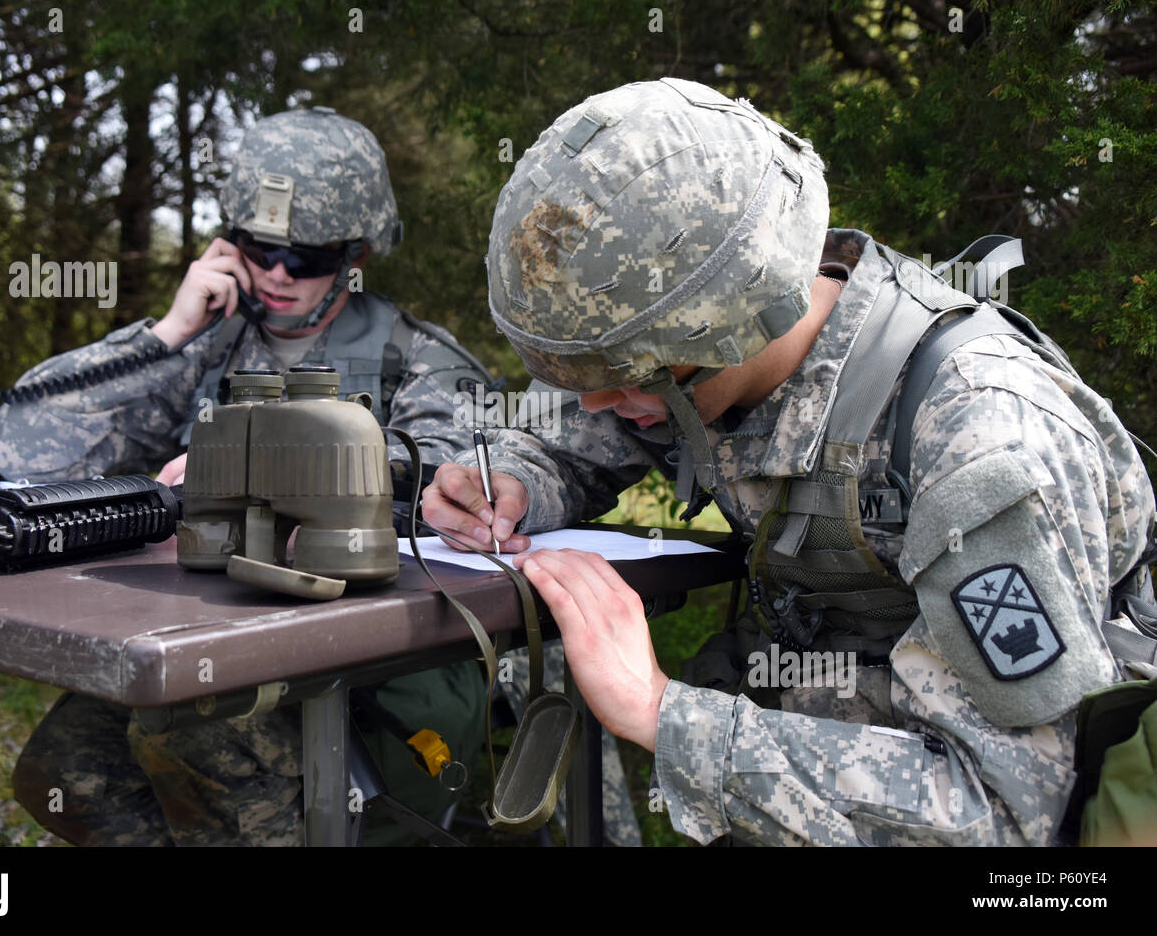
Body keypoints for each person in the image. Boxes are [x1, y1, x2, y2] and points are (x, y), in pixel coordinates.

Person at [423, 77, 1157, 845]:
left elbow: (1006, 815)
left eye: (621, 380)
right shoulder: (706, 348)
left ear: (725, 335)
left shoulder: (978, 440)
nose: (597, 404)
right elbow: (573, 435)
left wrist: (660, 710)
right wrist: (509, 483)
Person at [0, 108, 497, 846]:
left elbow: (452, 483)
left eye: (311, 255)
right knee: (65, 770)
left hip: (373, 660)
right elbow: (21, 445)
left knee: (200, 747)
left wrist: (254, 465)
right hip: (214, 633)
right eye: (263, 249)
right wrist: (167, 333)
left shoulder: (413, 360)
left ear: (357, 252)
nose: (282, 274)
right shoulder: (211, 349)